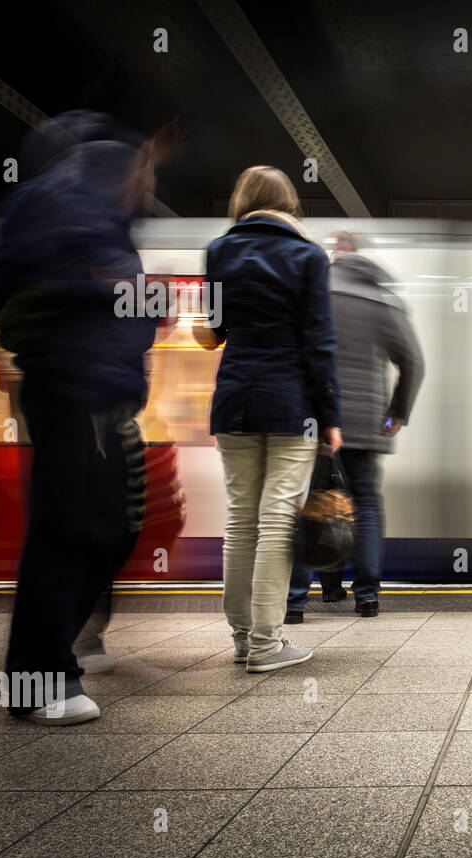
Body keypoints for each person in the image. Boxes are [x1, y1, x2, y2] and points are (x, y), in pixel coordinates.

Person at [0, 111, 161, 724]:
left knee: (97, 526)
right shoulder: (72, 205)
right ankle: (39, 680)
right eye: (145, 167)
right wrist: (121, 297)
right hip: (81, 386)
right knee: (77, 530)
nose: (149, 181)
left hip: (90, 388)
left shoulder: (67, 205)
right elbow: (85, 289)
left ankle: (47, 667)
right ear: (116, 163)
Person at [198, 166, 341, 671]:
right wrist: (331, 416)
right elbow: (320, 343)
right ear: (289, 205)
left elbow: (214, 328)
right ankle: (265, 643)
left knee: (240, 521)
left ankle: (242, 638)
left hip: (235, 400)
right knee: (278, 521)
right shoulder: (306, 256)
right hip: (291, 404)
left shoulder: (218, 251)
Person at [286, 232, 425, 621]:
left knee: (307, 502)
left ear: (335, 256)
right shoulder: (381, 298)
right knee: (363, 505)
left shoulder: (313, 291)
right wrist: (395, 413)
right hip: (366, 426)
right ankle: (367, 596)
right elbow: (412, 361)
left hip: (314, 421)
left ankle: (297, 601)